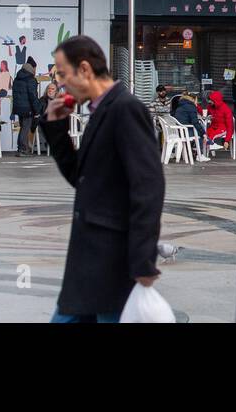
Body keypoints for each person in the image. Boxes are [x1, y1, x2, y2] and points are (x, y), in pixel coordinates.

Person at [40, 35, 165, 323]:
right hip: (89, 262)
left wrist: (143, 261)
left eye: (62, 73)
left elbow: (148, 187)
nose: (60, 82)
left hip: (113, 262)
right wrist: (56, 128)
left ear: (84, 70)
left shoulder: (125, 109)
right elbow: (82, 178)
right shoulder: (99, 112)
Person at [12, 56, 41, 156]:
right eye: (35, 68)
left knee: (22, 127)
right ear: (32, 68)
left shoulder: (17, 78)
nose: (35, 70)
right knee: (25, 128)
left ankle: (21, 148)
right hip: (27, 108)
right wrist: (37, 111)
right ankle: (23, 149)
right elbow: (33, 96)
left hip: (18, 107)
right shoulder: (30, 79)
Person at [172, 91, 210, 162]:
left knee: (199, 129)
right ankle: (200, 154)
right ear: (193, 99)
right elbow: (195, 122)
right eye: (197, 100)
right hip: (185, 132)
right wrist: (204, 134)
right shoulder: (191, 106)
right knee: (200, 131)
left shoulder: (181, 105)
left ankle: (200, 147)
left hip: (179, 131)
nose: (197, 102)